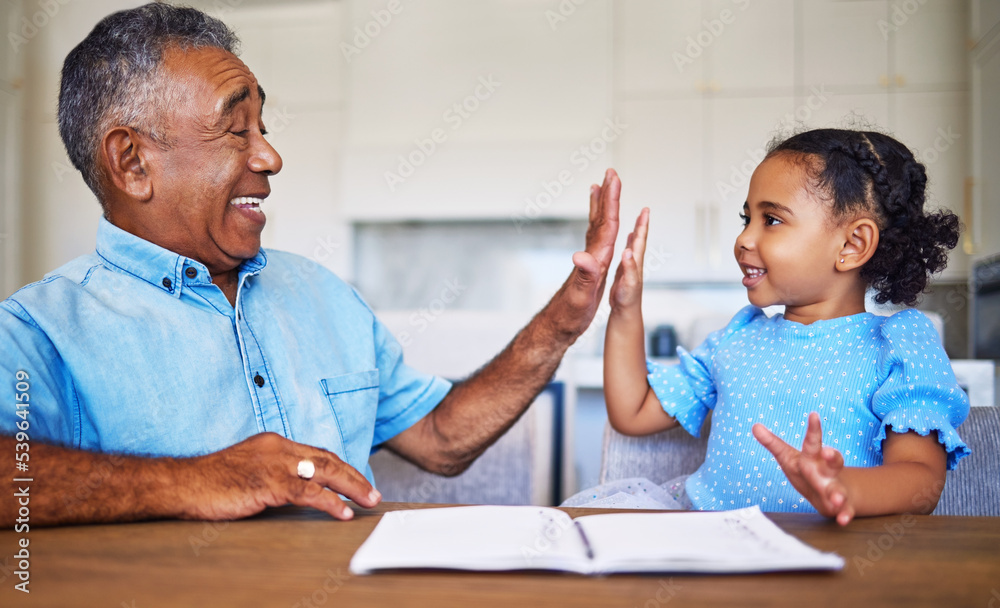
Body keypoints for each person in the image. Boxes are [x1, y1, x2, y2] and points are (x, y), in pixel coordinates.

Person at [0, 4, 621, 527]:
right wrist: (194, 482)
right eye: (234, 129)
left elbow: (440, 440)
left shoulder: (321, 292)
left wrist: (563, 321)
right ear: (132, 163)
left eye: (262, 127)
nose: (269, 156)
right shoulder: (38, 331)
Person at [585, 128, 970, 525]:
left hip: (829, 558)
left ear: (852, 245)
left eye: (770, 219)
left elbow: (921, 480)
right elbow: (632, 412)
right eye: (745, 218)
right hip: (706, 544)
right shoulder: (737, 338)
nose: (743, 238)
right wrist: (625, 309)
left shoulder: (898, 347)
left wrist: (843, 488)